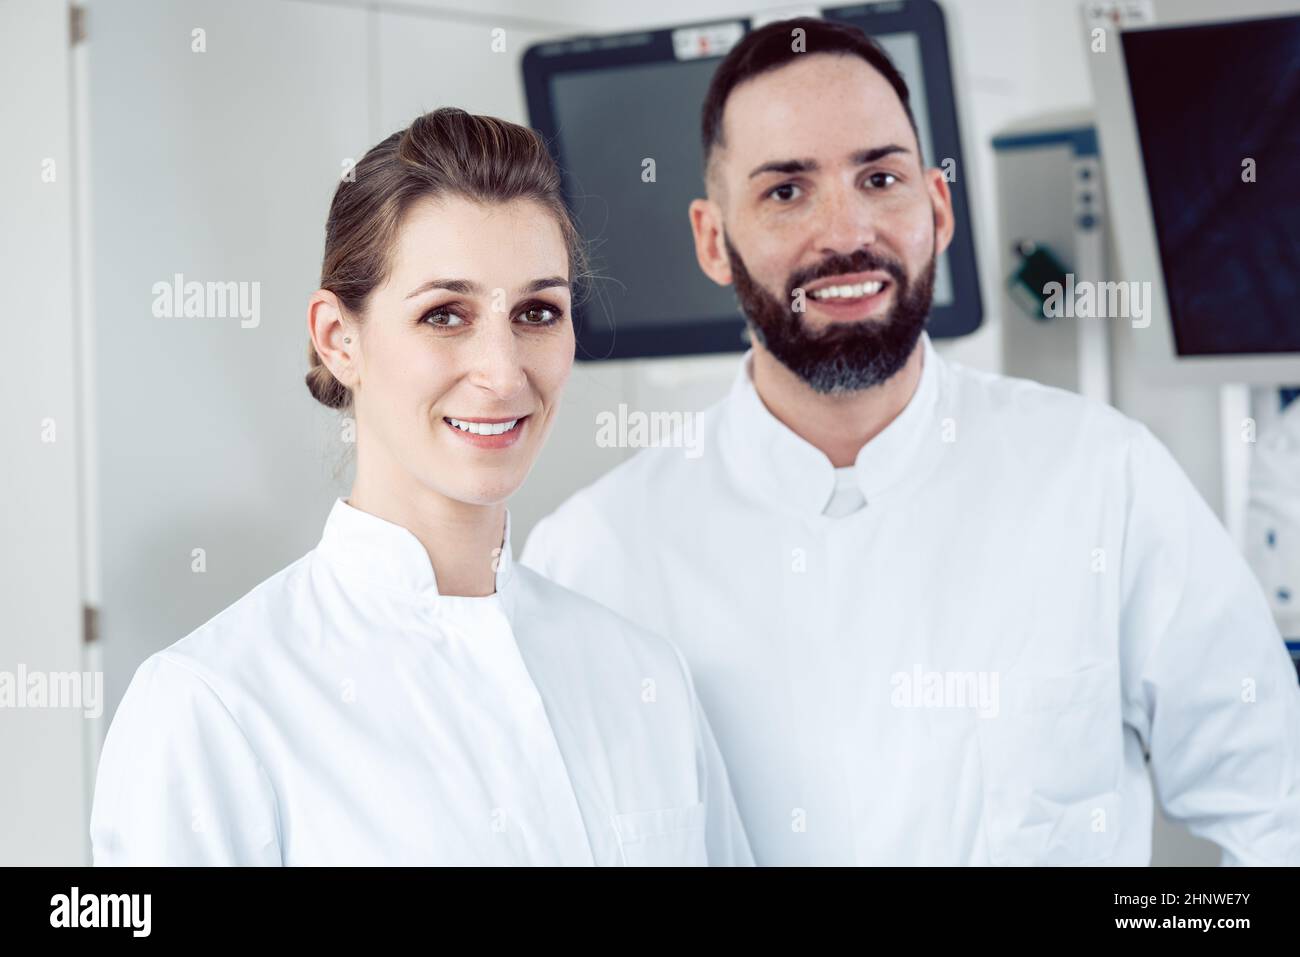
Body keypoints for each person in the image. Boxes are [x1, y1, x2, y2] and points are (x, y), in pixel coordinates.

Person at [522, 19, 1300, 865]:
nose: (845, 232)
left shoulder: (1105, 480)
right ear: (714, 239)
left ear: (937, 205)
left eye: (879, 177)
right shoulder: (594, 559)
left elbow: (1277, 807)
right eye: (786, 190)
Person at [90, 108, 752, 867]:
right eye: (445, 314)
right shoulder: (210, 707)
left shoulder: (644, 678)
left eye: (538, 312)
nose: (503, 372)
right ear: (341, 339)